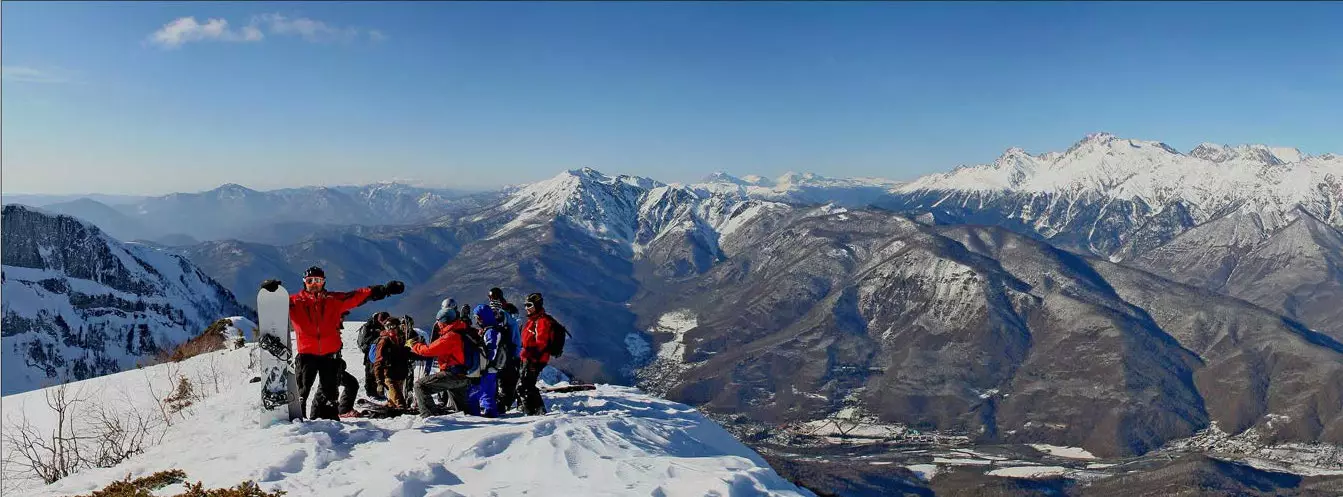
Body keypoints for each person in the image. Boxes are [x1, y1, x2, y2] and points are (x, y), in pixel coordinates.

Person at [260, 266, 404, 420]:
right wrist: (271, 292)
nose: (314, 284)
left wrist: (384, 290)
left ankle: (327, 423)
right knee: (301, 393)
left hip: (330, 356)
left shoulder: (333, 300)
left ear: (324, 282)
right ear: (304, 282)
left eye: (318, 280)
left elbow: (357, 296)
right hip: (306, 355)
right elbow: (276, 306)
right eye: (310, 281)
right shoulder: (295, 302)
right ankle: (297, 423)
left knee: (330, 394)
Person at [406, 305, 482, 417]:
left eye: (438, 321)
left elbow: (428, 350)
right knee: (462, 410)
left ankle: (430, 416)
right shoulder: (463, 330)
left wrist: (414, 345)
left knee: (420, 386)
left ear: (443, 322)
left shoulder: (450, 336)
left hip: (452, 374)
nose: (437, 324)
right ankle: (470, 422)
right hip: (465, 375)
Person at [519, 292, 557, 416]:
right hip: (529, 357)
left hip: (534, 359)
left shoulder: (542, 321)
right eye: (525, 305)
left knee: (526, 385)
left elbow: (541, 343)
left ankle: (536, 411)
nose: (526, 308)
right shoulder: (533, 321)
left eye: (529, 305)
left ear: (537, 305)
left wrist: (532, 359)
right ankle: (533, 411)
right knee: (526, 385)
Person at [487, 288, 523, 412]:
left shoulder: (506, 311)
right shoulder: (501, 309)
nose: (492, 299)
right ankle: (504, 401)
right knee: (504, 378)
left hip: (508, 348)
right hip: (507, 348)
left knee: (506, 378)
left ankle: (507, 402)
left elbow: (514, 328)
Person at [466, 304, 505, 417]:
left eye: (478, 317)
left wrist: (484, 364)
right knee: (488, 393)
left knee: (475, 393)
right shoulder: (491, 329)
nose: (477, 320)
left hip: (487, 368)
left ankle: (474, 415)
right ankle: (491, 413)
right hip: (491, 368)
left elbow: (491, 350)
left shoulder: (491, 332)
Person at [372, 317, 412, 409]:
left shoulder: (403, 339)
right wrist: (379, 382)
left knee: (395, 399)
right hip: (389, 375)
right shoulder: (384, 341)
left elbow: (408, 354)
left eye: (392, 326)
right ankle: (399, 409)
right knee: (400, 402)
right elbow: (378, 361)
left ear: (398, 327)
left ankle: (390, 406)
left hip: (401, 374)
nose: (390, 329)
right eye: (387, 326)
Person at [356, 311, 393, 400]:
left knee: (379, 372)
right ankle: (370, 392)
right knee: (370, 372)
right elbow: (365, 341)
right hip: (370, 353)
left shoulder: (382, 325)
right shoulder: (368, 327)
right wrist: (377, 340)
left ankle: (378, 392)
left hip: (380, 353)